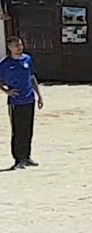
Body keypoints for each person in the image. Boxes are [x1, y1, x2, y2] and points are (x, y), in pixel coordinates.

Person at [0, 35, 43, 170]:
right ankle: (18, 159)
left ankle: (27, 156)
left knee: (28, 129)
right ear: (10, 47)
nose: (19, 47)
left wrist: (39, 96)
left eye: (20, 45)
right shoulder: (5, 64)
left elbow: (32, 77)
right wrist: (6, 91)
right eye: (16, 45)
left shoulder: (27, 59)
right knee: (17, 131)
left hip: (29, 98)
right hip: (15, 102)